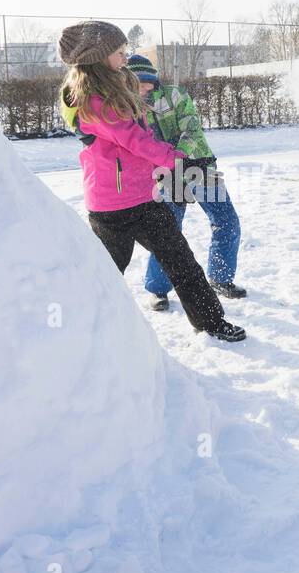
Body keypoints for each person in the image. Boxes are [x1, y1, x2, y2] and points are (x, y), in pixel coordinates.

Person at [57, 21, 245, 342]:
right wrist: (176, 158)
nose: (124, 56)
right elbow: (134, 140)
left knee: (182, 262)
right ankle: (78, 328)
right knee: (106, 274)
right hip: (111, 208)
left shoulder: (115, 88)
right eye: (119, 52)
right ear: (100, 56)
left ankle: (211, 321)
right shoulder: (91, 100)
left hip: (145, 197)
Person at [128, 54, 247, 312]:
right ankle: (158, 289)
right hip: (166, 175)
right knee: (167, 231)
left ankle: (220, 278)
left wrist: (177, 158)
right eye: (139, 82)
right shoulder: (128, 108)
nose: (145, 87)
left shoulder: (175, 95)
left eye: (148, 81)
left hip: (199, 164)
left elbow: (192, 128)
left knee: (226, 220)